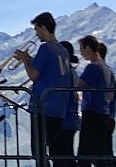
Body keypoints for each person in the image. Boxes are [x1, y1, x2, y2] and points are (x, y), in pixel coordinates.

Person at [14, 12, 73, 167]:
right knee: (57, 151)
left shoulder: (45, 48)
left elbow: (33, 75)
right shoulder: (63, 50)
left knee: (39, 151)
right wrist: (29, 60)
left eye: (36, 29)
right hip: (59, 108)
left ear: (43, 27)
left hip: (42, 107)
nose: (36, 33)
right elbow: (48, 69)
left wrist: (26, 60)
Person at [58, 41, 80, 165]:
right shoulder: (70, 71)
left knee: (63, 156)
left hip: (64, 119)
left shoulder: (65, 72)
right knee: (67, 154)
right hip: (70, 119)